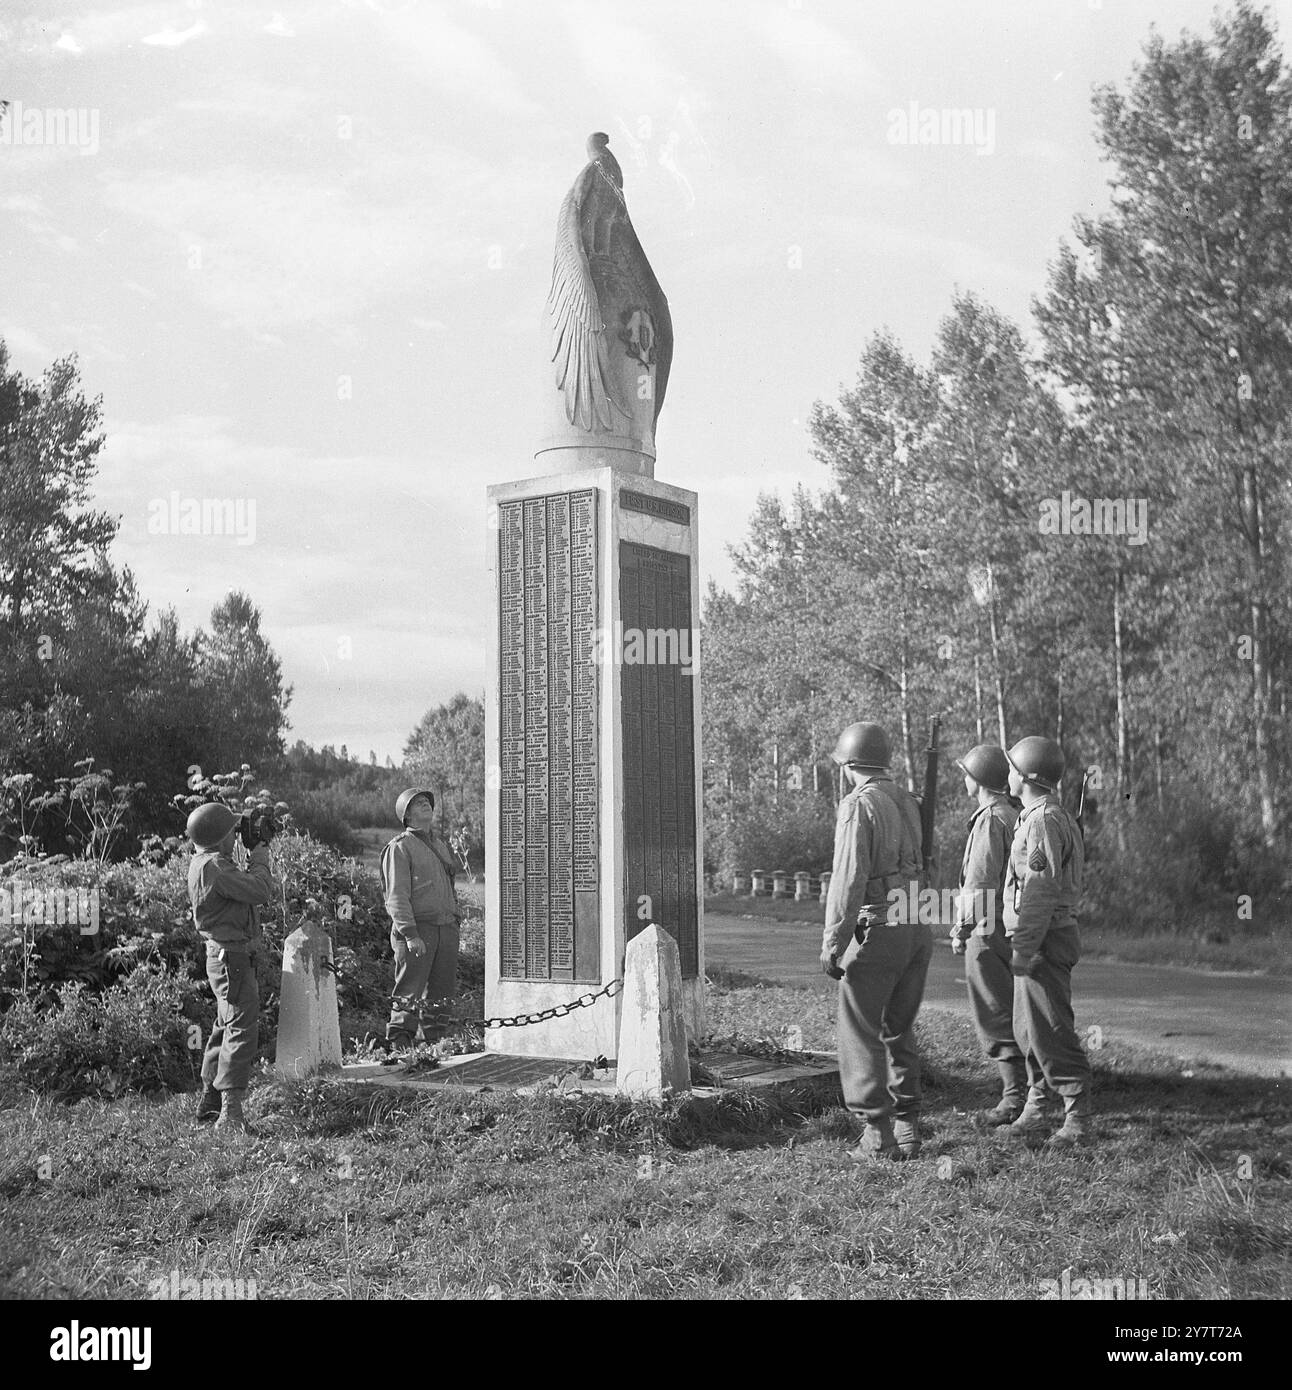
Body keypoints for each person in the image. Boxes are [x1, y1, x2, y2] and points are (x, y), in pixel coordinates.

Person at [820, 721, 931, 1161]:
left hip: (879, 926)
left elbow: (848, 880)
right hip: (916, 922)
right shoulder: (909, 801)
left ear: (849, 764)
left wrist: (834, 942)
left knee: (860, 1030)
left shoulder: (858, 805)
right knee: (899, 1028)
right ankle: (908, 1126)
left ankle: (877, 1133)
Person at [1002, 736, 1092, 1148]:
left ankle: (1077, 1118)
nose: (1007, 775)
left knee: (1053, 1028)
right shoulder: (1037, 815)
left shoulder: (1041, 820)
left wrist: (1023, 946)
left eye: (1011, 768)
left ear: (1024, 775)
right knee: (1030, 1029)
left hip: (1044, 938)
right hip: (1040, 935)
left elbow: (1039, 889)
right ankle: (1037, 1106)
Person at [187, 802, 277, 1134]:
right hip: (232, 959)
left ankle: (209, 1101)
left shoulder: (205, 862)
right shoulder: (216, 867)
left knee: (225, 1025)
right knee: (241, 1029)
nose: (236, 837)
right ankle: (231, 1112)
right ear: (221, 837)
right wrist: (260, 855)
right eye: (232, 833)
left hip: (223, 957)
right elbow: (261, 890)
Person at [949, 744, 1024, 1124]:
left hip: (988, 925)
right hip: (1011, 925)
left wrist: (962, 928)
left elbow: (979, 884)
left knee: (995, 1009)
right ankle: (1029, 1090)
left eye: (966, 773)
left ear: (978, 779)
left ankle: (1013, 1098)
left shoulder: (991, 819)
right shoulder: (1012, 813)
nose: (963, 779)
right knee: (1015, 1006)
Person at [382, 787, 462, 1049]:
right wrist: (410, 933)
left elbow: (449, 887)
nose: (425, 805)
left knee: (442, 991)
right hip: (418, 930)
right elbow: (396, 896)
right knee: (409, 988)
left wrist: (454, 920)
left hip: (445, 928)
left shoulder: (439, 845)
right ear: (406, 815)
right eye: (417, 803)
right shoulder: (400, 848)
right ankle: (400, 1044)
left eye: (426, 801)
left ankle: (434, 1044)